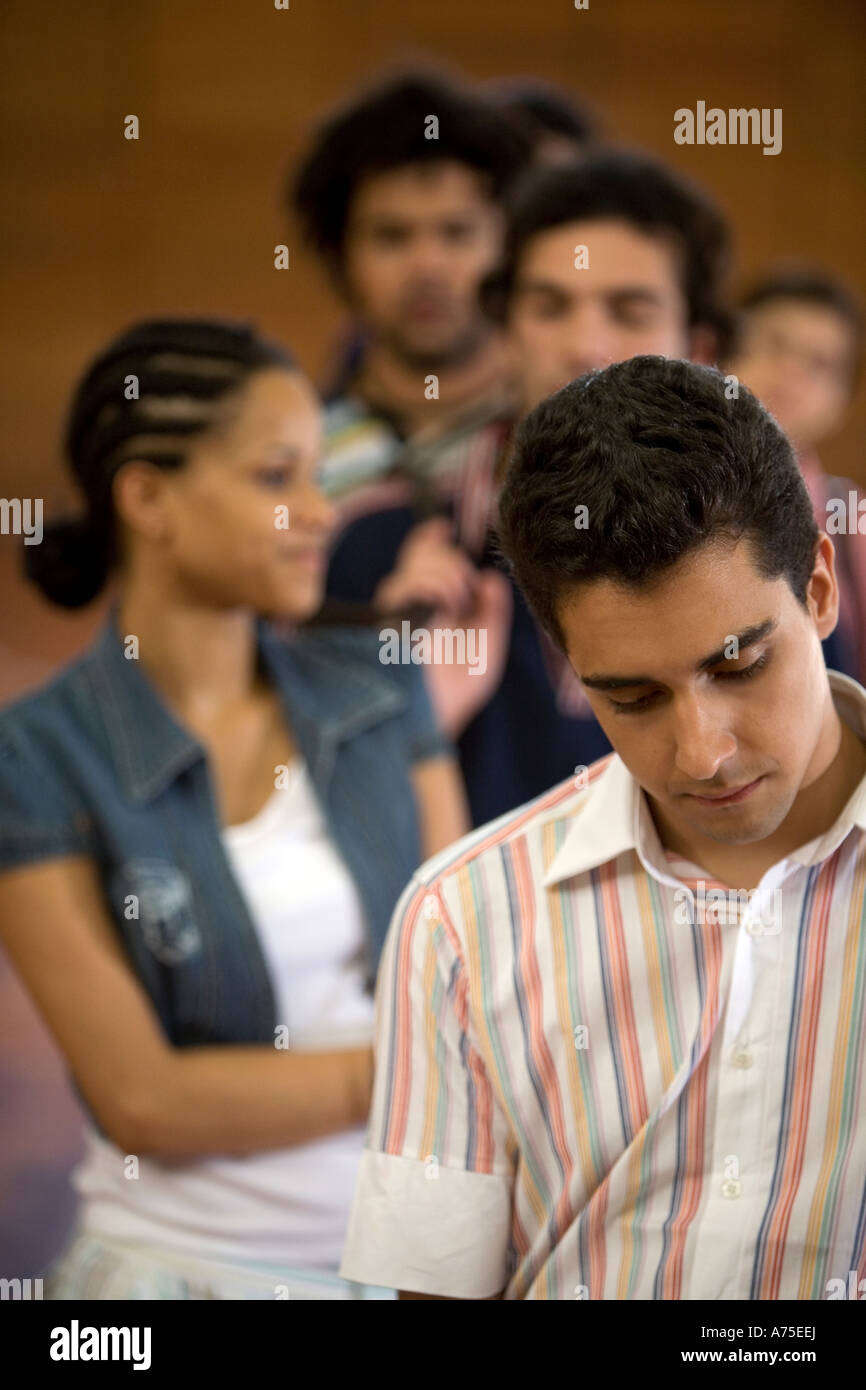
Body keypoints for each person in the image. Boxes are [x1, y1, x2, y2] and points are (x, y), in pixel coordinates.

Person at [339, 355, 866, 1300]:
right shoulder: (464, 920)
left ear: (820, 589)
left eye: (740, 665)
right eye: (631, 696)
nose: (702, 751)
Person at [0, 317, 468, 1300]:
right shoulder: (36, 750)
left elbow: (468, 997)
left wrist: (435, 1063)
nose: (319, 510)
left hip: (407, 1267)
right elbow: (144, 1100)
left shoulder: (380, 687)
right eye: (275, 476)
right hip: (171, 1273)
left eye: (317, 476)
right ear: (147, 497)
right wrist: (405, 1070)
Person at [323, 151, 734, 825]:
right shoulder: (377, 545)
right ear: (505, 332)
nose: (585, 345)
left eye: (628, 311)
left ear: (699, 344)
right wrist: (393, 689)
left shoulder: (770, 552)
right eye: (549, 307)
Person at [288, 66, 532, 482]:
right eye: (391, 236)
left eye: (457, 233)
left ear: (512, 244)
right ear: (340, 254)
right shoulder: (296, 456)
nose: (427, 267)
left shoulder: (564, 448)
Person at [727, 265, 866, 683]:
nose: (792, 372)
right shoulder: (666, 485)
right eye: (774, 343)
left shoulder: (852, 516)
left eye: (820, 364)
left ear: (843, 401)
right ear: (722, 350)